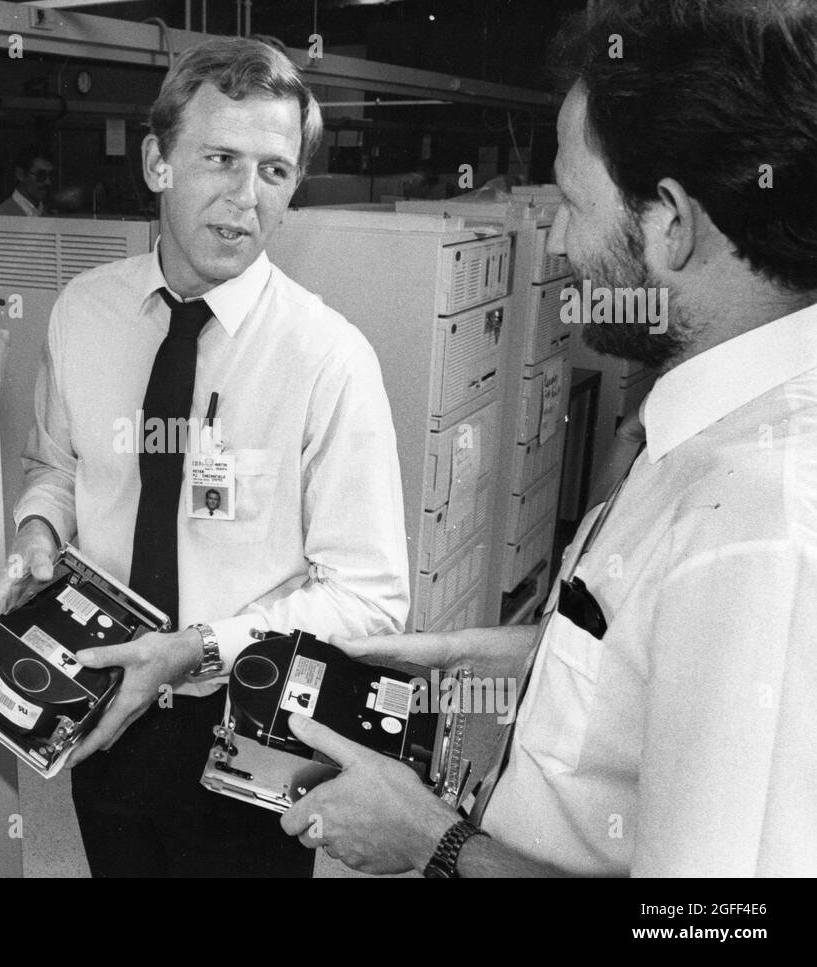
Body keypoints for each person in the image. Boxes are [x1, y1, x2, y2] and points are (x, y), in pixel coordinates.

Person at [280, 0, 817, 877]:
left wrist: (434, 841)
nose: (559, 240)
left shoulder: (763, 525)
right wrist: (474, 653)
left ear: (671, 222)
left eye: (572, 201)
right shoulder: (706, 426)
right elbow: (648, 667)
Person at [0, 37, 409, 877]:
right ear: (158, 162)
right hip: (103, 700)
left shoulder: (329, 359)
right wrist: (40, 530)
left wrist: (199, 649)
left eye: (274, 171)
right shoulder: (83, 312)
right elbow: (56, 466)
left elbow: (370, 599)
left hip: (251, 726)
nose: (246, 197)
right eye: (220, 158)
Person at [0, 145, 54, 216]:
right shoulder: (2, 215)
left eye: (51, 176)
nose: (48, 182)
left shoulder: (49, 214)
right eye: (41, 175)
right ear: (20, 174)